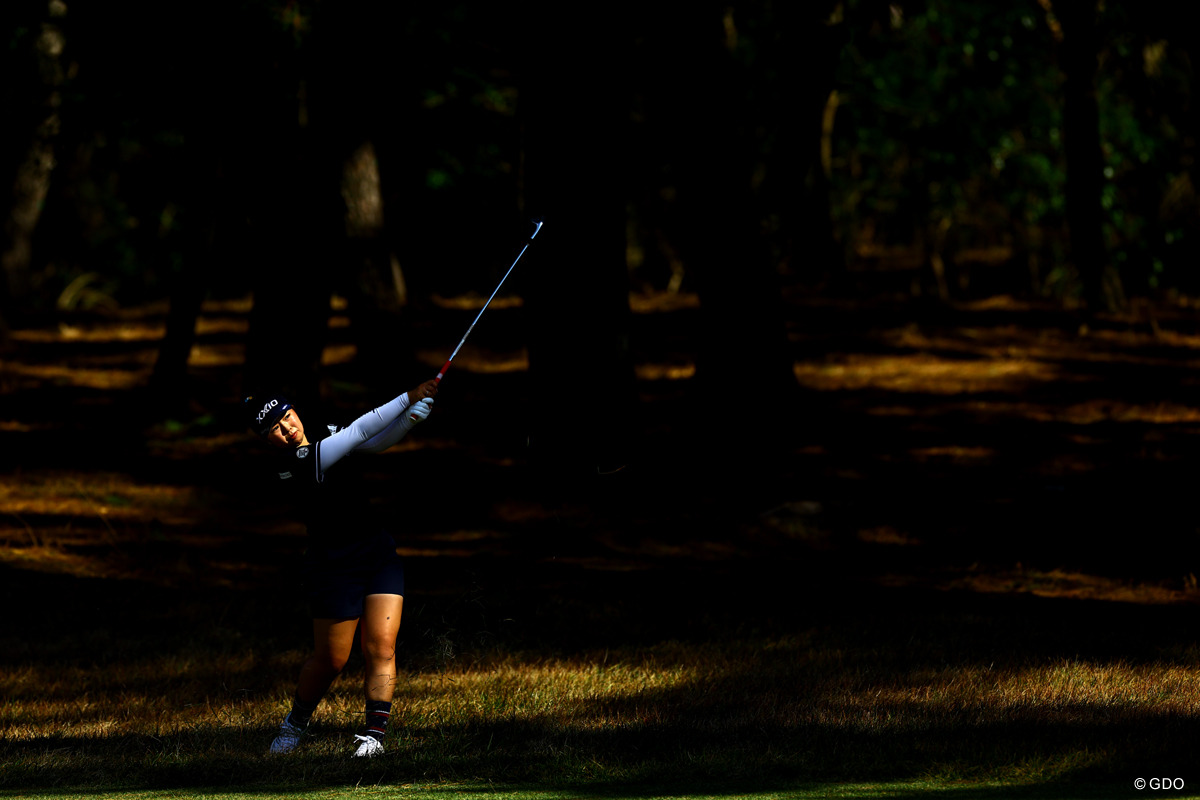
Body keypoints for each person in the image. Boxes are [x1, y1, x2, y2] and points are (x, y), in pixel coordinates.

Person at [244, 379, 439, 758]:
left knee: (381, 646)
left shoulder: (322, 436)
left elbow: (371, 442)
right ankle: (295, 723)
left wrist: (410, 420)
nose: (288, 428)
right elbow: (360, 430)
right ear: (266, 440)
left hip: (376, 551)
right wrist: (408, 398)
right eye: (275, 429)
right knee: (332, 659)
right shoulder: (295, 464)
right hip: (333, 567)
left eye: (287, 416)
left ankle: (373, 737)